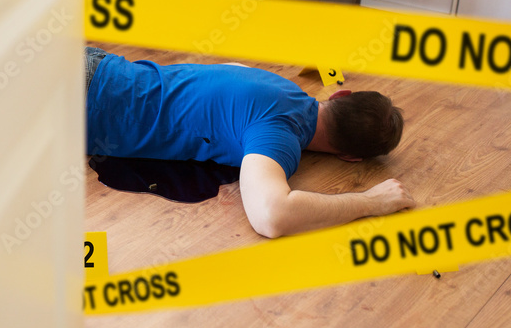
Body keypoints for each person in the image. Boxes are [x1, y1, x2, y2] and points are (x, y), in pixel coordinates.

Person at [85, 47, 415, 239]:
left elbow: (226, 73)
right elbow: (272, 216)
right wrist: (371, 202)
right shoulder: (277, 134)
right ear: (350, 157)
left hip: (98, 64)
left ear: (340, 95)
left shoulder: (277, 85)